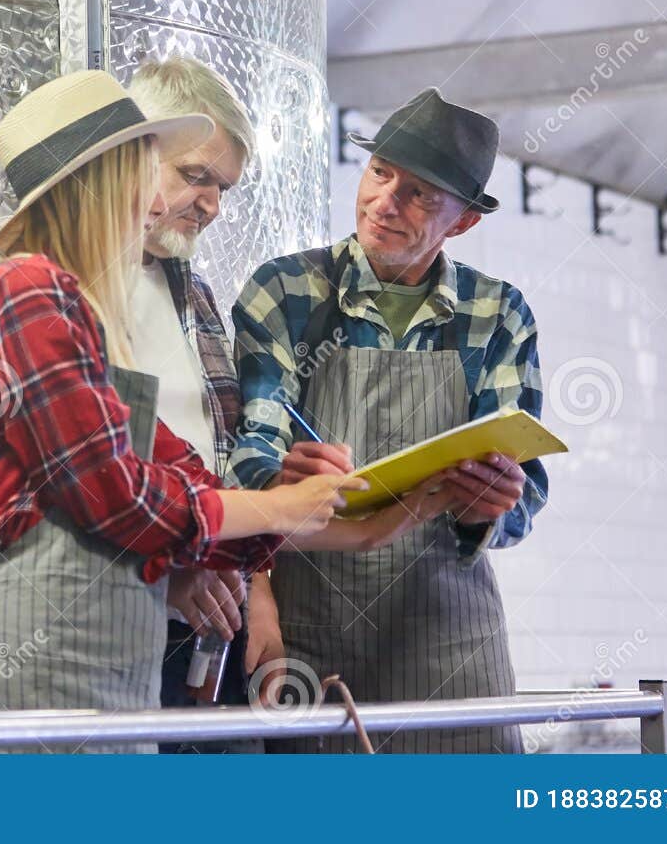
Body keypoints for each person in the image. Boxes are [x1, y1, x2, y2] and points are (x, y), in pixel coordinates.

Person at [0, 69, 364, 751]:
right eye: (147, 170)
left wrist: (300, 503)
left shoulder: (96, 312)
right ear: (101, 181)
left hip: (119, 659)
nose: (163, 200)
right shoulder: (24, 287)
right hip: (40, 662)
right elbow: (111, 493)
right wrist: (270, 513)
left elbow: (178, 468)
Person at [232, 87, 550, 754]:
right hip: (309, 625)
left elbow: (527, 493)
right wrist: (280, 486)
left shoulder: (497, 315)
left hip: (448, 635)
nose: (385, 202)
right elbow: (249, 446)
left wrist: (488, 505)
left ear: (462, 222)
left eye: (420, 194)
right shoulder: (286, 292)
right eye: (381, 173)